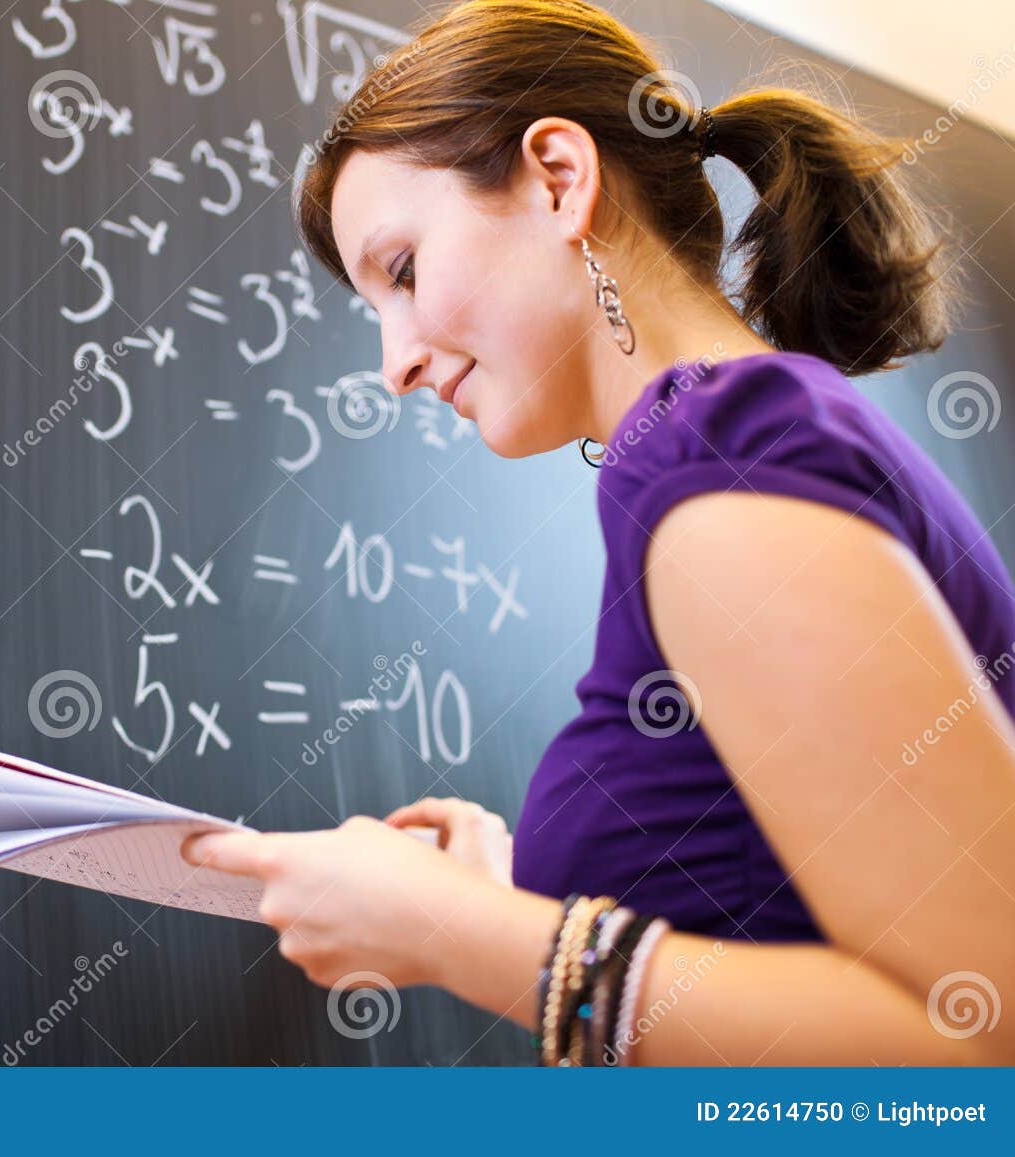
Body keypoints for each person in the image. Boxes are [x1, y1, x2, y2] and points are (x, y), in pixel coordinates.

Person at [181, 0, 1015, 1065]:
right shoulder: (715, 450)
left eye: (400, 271)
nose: (392, 364)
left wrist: (455, 929)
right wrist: (509, 890)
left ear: (559, 179)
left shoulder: (720, 459)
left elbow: (977, 1031)